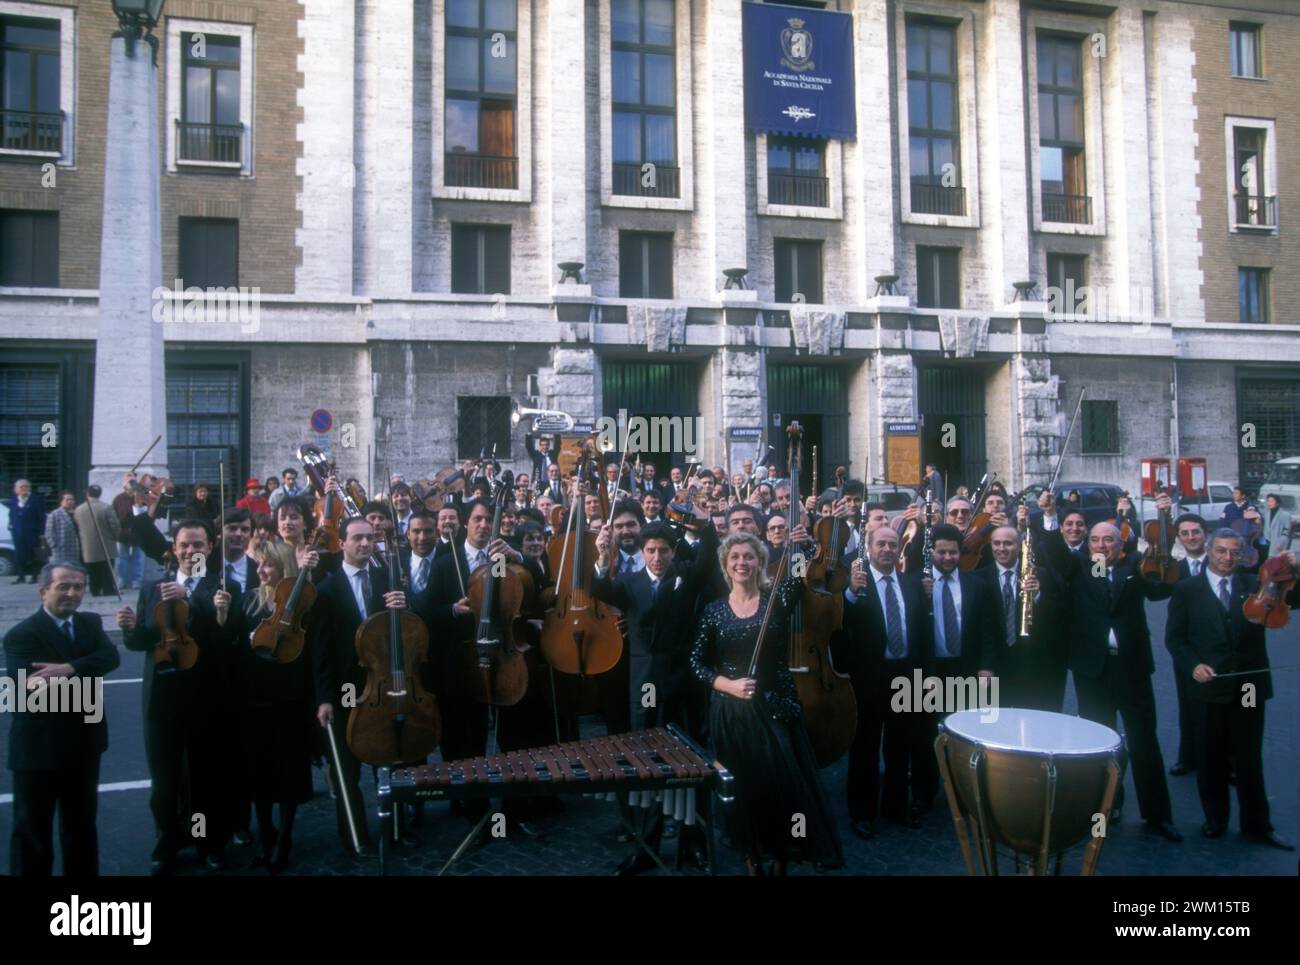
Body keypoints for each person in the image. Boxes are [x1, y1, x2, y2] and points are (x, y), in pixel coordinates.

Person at [690, 532, 843, 875]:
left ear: (760, 562)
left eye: (749, 556)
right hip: (732, 711)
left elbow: (800, 573)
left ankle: (780, 858)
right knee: (745, 789)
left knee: (783, 789)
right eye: (735, 557)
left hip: (775, 705)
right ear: (726, 565)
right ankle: (752, 859)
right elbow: (696, 663)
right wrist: (728, 684)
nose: (742, 563)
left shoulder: (778, 597)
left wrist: (801, 543)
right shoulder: (714, 611)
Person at [1038, 502, 1182, 842]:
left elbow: (1162, 588)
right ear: (1088, 545)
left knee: (1144, 741)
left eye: (1109, 541)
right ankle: (1105, 807)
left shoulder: (1135, 566)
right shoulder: (1079, 568)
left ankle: (1157, 814)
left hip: (1131, 667)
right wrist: (1049, 516)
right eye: (1096, 541)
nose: (1102, 546)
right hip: (1093, 670)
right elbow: (1056, 552)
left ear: (1121, 545)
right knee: (1100, 743)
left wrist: (1166, 524)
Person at [594, 520, 718, 874]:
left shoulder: (687, 577)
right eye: (651, 550)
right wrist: (603, 555)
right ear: (643, 552)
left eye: (664, 550)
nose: (658, 557)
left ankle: (694, 843)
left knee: (690, 766)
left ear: (673, 551)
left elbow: (708, 558)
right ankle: (645, 846)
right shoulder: (630, 583)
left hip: (682, 686)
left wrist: (702, 522)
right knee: (645, 765)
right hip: (645, 687)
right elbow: (599, 586)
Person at [117, 519, 239, 874]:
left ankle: (207, 840)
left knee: (205, 779)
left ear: (209, 547)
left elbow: (225, 636)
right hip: (162, 699)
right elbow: (142, 640)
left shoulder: (221, 586)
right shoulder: (153, 587)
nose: (190, 551)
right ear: (174, 548)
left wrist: (195, 601)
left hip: (204, 696)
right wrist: (128, 630)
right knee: (165, 779)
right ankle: (167, 841)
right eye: (184, 545)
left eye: (197, 544)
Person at [1165, 533, 1297, 850]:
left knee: (1249, 757)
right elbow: (1176, 640)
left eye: (1234, 553)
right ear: (1209, 551)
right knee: (1210, 757)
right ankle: (1216, 819)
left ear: (1242, 556)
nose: (1227, 557)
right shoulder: (1187, 589)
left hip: (1249, 685)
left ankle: (1257, 824)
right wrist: (1193, 666)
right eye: (1221, 551)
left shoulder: (1257, 583)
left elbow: (1293, 597)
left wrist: (1293, 566)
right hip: (1208, 686)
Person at [5, 562, 121, 876]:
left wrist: (68, 669)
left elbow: (111, 657)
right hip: (38, 751)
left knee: (81, 829)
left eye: (78, 587)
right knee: (32, 833)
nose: (72, 594)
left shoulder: (89, 623)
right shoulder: (21, 635)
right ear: (44, 592)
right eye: (63, 587)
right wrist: (85, 670)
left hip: (84, 747)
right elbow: (27, 694)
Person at [309, 516, 402, 856]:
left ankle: (395, 830)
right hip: (346, 688)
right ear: (342, 543)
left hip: (383, 687)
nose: (366, 544)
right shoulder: (327, 588)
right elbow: (320, 650)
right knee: (347, 768)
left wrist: (403, 608)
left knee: (388, 762)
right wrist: (323, 698)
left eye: (370, 538)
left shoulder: (385, 579)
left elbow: (404, 634)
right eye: (358, 538)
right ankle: (356, 837)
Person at [842, 525, 930, 837]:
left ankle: (895, 806)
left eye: (893, 545)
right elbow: (842, 624)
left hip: (905, 674)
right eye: (881, 544)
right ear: (869, 547)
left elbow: (921, 632)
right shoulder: (858, 585)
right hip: (870, 677)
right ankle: (862, 814)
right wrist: (851, 592)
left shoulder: (911, 584)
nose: (887, 550)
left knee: (900, 747)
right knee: (865, 747)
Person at [236, 542, 317, 871]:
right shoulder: (248, 601)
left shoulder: (301, 603)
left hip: (289, 700)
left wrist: (304, 572)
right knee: (258, 773)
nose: (261, 571)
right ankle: (265, 833)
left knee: (288, 773)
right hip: (254, 701)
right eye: (259, 565)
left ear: (283, 567)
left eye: (268, 565)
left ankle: (284, 837)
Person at [1168, 513, 1210, 777]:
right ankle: (1188, 756)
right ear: (1179, 538)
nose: (1191, 537)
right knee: (1187, 703)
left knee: (1229, 706)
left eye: (1196, 532)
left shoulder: (1220, 562)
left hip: (1217, 644)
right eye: (1185, 533)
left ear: (1204, 533)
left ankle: (1226, 761)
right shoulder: (1175, 569)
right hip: (1186, 646)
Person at [73, 486, 119, 597]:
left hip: (88, 545)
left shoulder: (78, 509)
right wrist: (115, 537)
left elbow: (76, 526)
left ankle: (95, 590)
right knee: (107, 569)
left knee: (93, 571)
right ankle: (108, 589)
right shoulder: (106, 508)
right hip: (106, 543)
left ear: (88, 494)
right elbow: (115, 525)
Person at [6, 478, 46, 583]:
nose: (24, 489)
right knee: (19, 555)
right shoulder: (14, 500)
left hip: (32, 532)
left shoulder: (36, 499)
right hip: (18, 532)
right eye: (21, 487)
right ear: (16, 489)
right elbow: (11, 514)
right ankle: (21, 577)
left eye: (26, 487)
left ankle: (34, 576)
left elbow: (41, 517)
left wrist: (42, 532)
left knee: (33, 554)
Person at [111, 474, 145, 591]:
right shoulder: (118, 499)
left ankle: (136, 581)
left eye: (133, 484)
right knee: (121, 559)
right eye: (130, 484)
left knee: (138, 558)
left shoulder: (141, 497)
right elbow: (113, 516)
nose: (132, 487)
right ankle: (121, 580)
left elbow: (146, 514)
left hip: (139, 532)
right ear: (125, 486)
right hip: (123, 533)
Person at [45, 491, 81, 566]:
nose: (70, 501)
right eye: (67, 500)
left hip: (76, 548)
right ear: (61, 501)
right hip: (61, 549)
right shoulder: (54, 514)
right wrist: (55, 546)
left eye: (71, 499)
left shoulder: (77, 513)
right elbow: (49, 533)